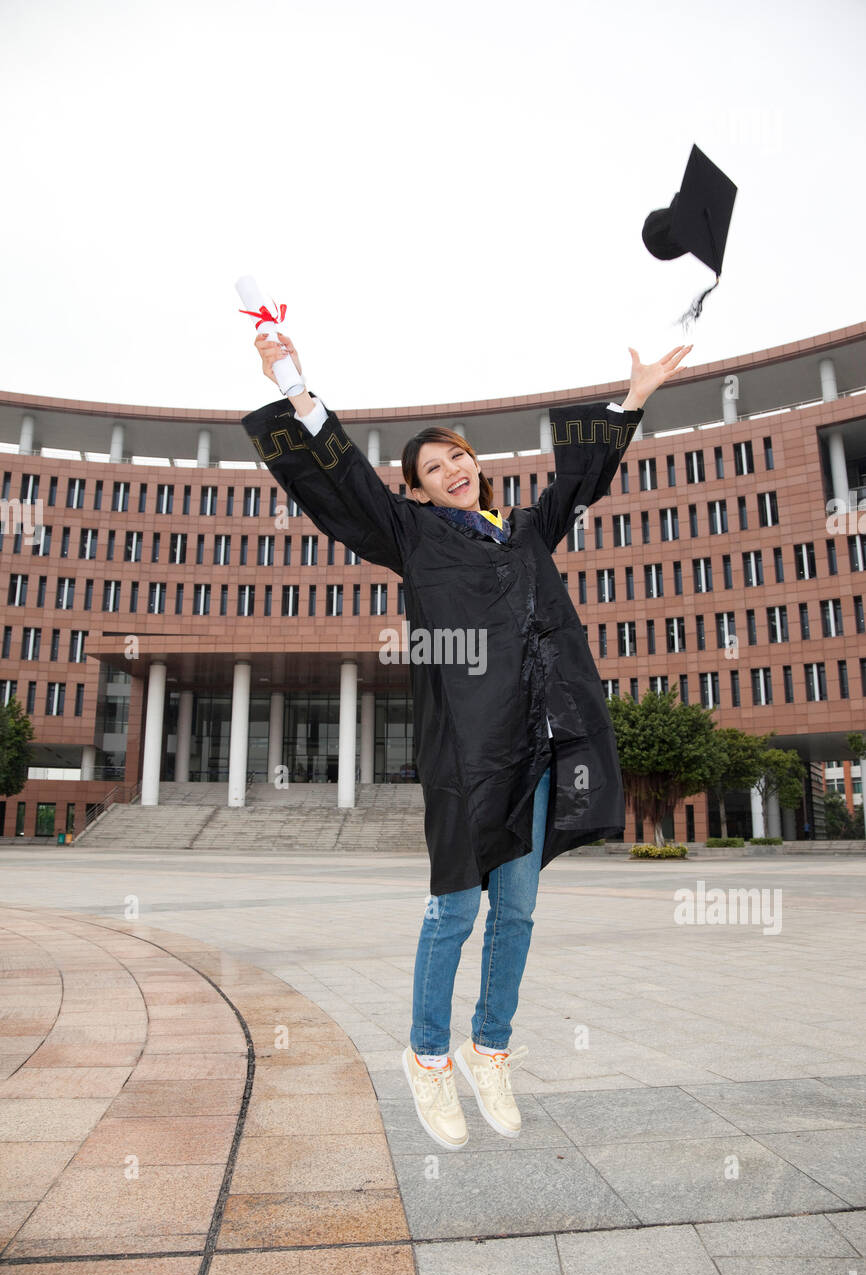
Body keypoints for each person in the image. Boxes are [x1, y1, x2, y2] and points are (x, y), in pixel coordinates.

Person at [243, 330, 691, 1151]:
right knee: (454, 908)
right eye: (433, 467)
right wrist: (297, 386)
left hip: (537, 746)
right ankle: (428, 1058)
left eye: (458, 456)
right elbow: (346, 481)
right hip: (466, 751)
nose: (452, 469)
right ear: (416, 490)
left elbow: (581, 481)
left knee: (516, 911)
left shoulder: (524, 532)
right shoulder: (411, 535)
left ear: (475, 463)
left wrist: (633, 397)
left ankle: (491, 1050)